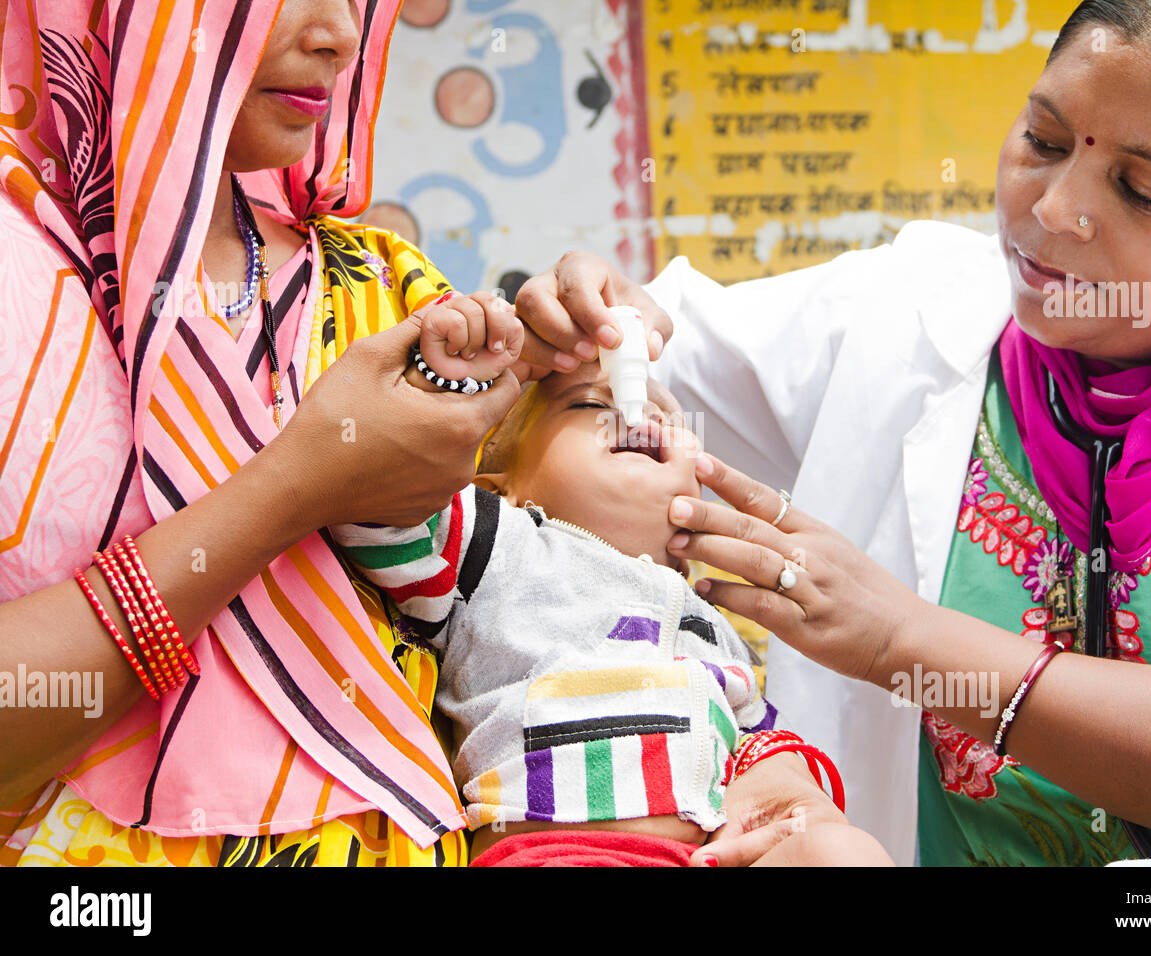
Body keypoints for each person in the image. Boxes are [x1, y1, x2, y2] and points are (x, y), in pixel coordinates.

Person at [0, 0, 822, 867]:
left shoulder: (380, 281)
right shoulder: (23, 286)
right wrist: (296, 488)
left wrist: (542, 349)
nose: (339, 36)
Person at [510, 0, 1151, 866]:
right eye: (1041, 139)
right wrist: (584, 329)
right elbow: (627, 373)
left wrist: (902, 642)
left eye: (1142, 190)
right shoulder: (898, 317)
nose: (1054, 209)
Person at [327, 305, 892, 865]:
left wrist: (790, 779)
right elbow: (380, 501)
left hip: (705, 853)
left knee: (843, 851)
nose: (634, 410)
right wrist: (451, 381)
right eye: (590, 403)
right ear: (503, 487)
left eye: (669, 418)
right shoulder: (497, 542)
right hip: (553, 851)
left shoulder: (712, 618)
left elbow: (756, 734)